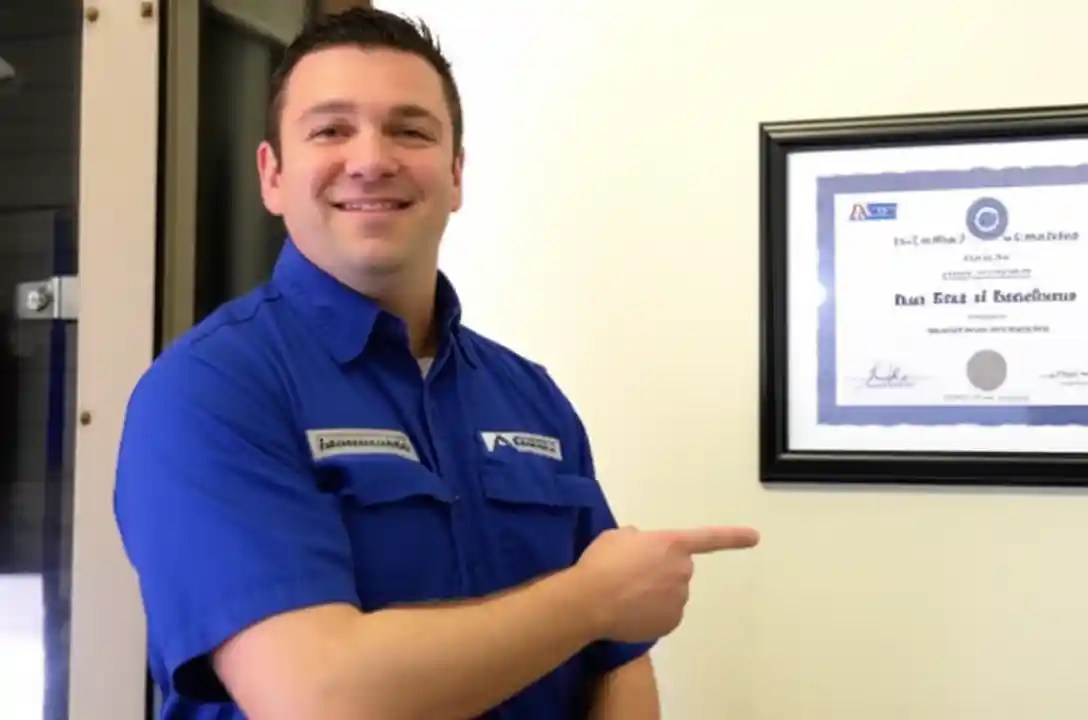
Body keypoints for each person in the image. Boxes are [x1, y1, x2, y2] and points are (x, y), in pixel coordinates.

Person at [112, 8, 758, 720]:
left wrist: (608, 611)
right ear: (272, 175)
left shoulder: (529, 397)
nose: (370, 159)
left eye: (409, 130)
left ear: (454, 175)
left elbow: (617, 661)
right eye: (330, 129)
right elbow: (320, 697)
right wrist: (593, 598)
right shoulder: (210, 393)